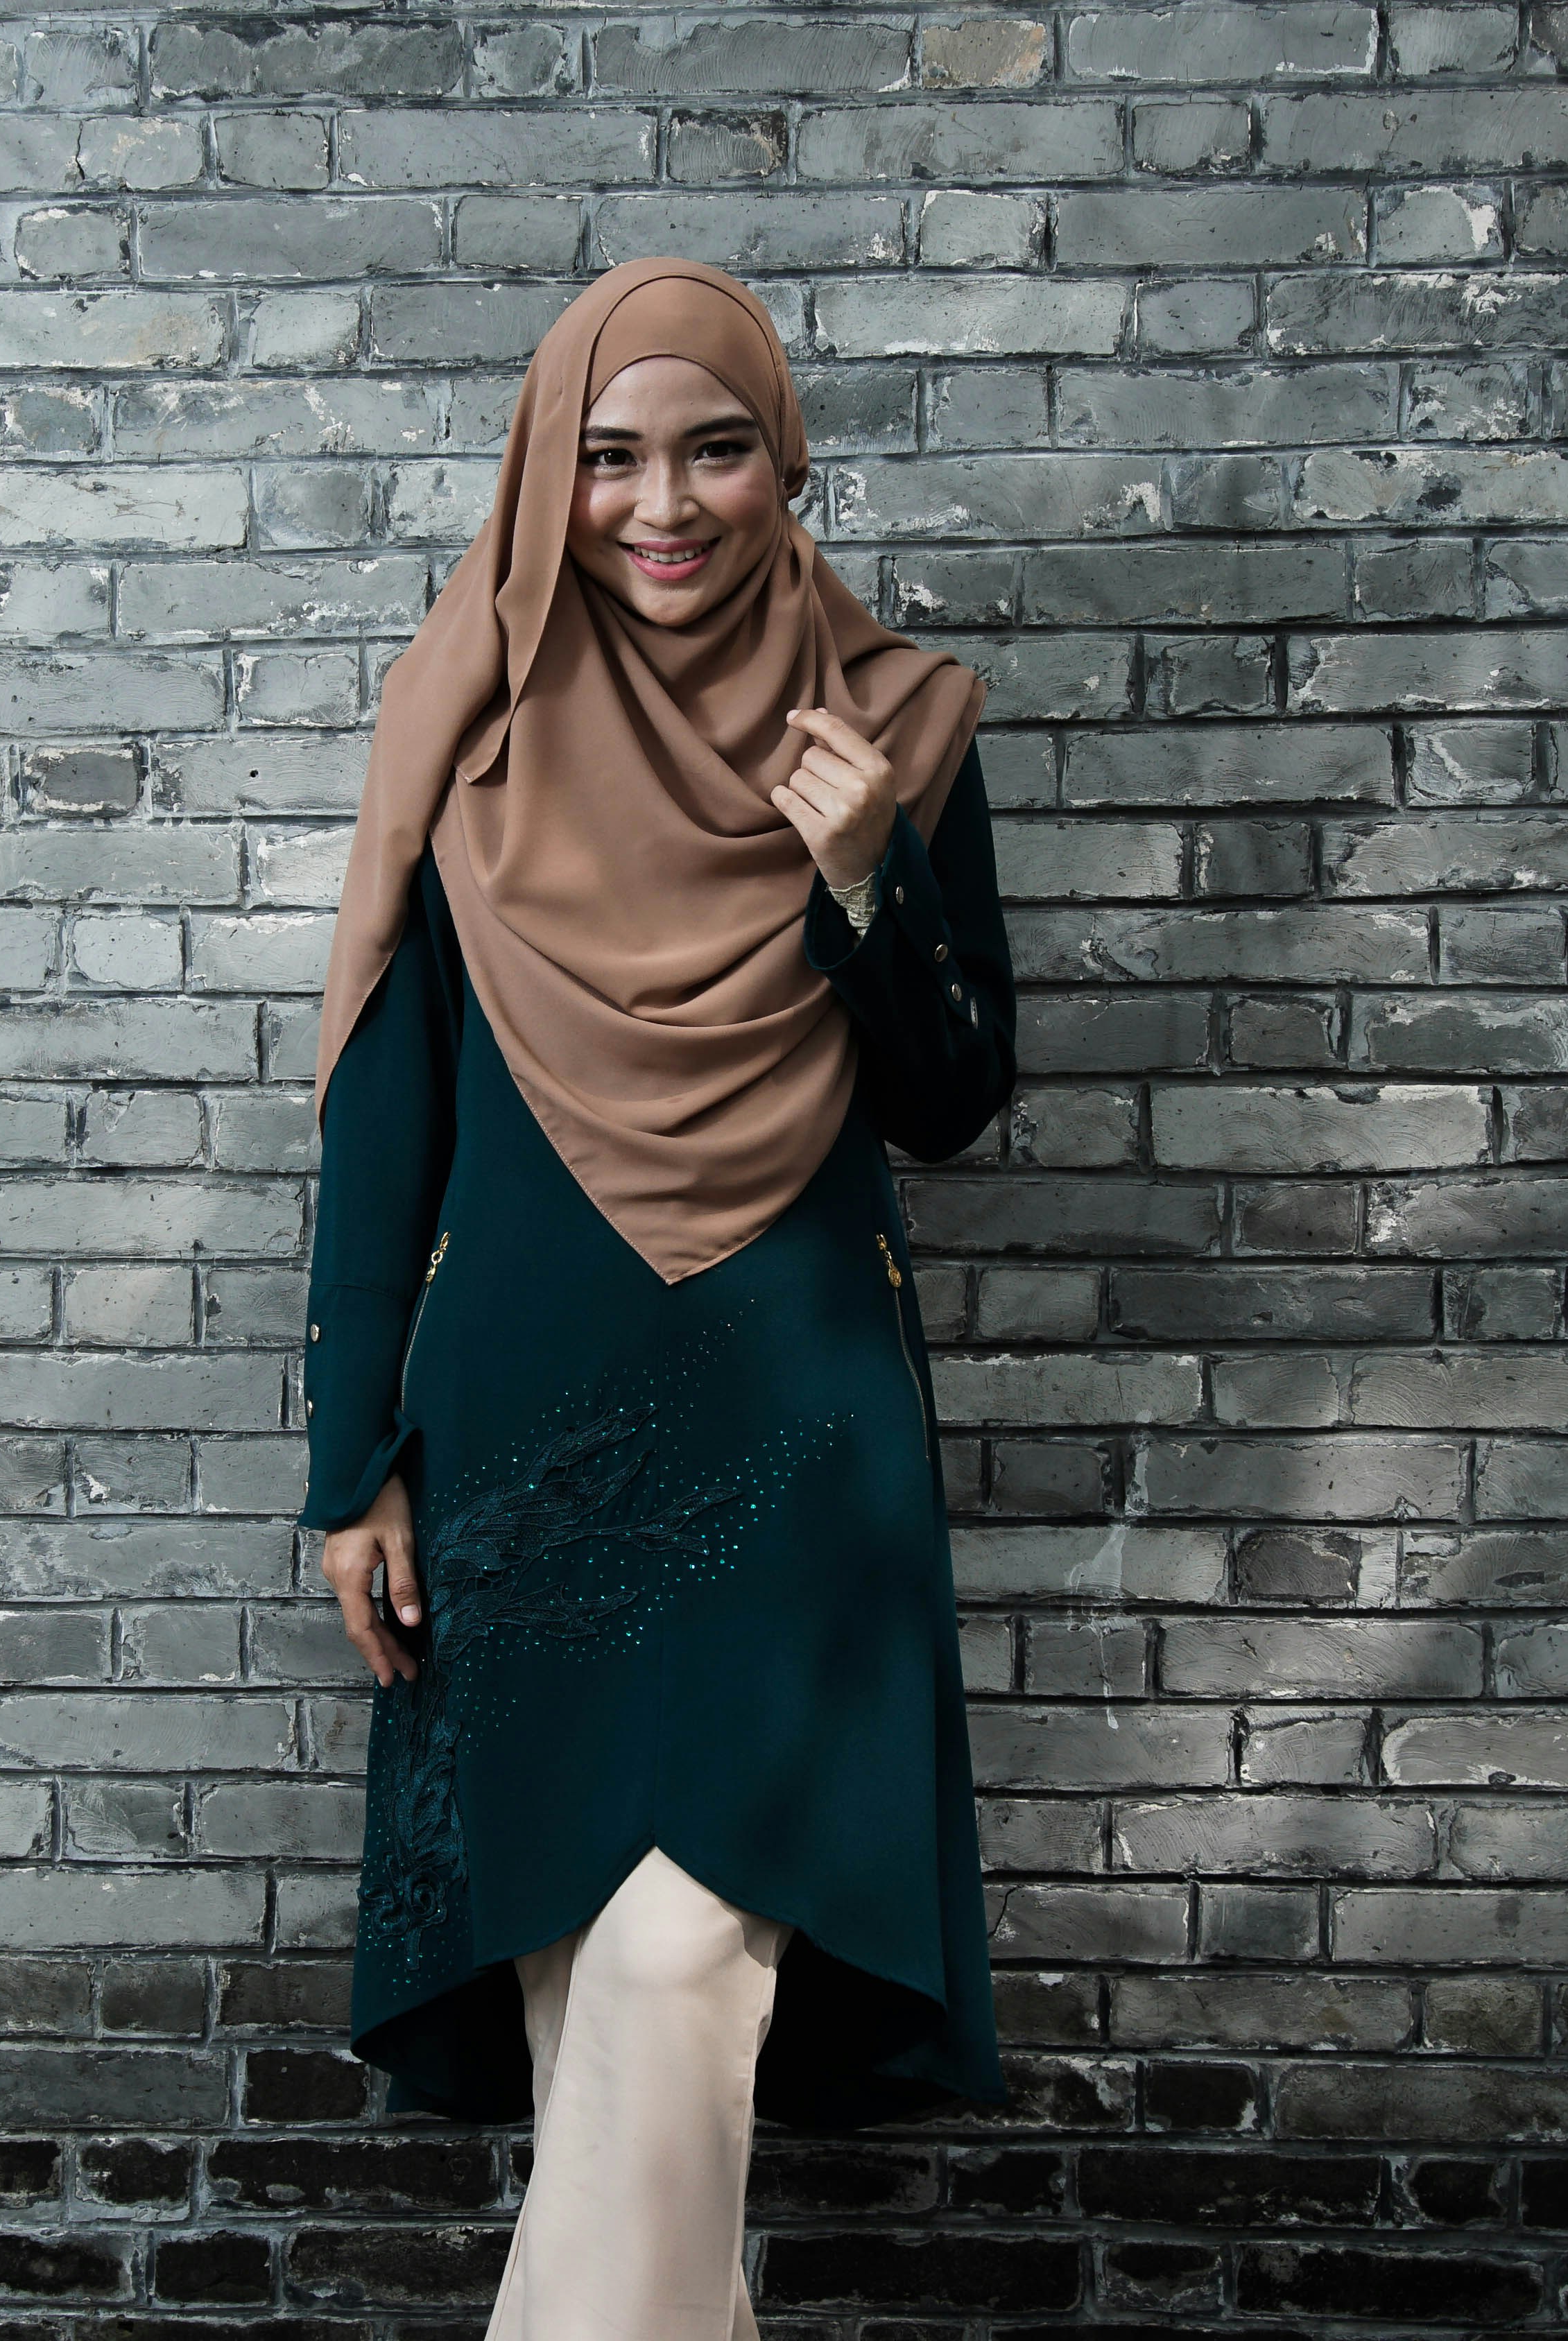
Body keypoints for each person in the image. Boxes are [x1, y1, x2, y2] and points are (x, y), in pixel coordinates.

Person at [300, 257, 1016, 2341]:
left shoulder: (894, 729)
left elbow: (961, 1099)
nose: (664, 502)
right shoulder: (465, 718)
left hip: (794, 1447)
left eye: (715, 448)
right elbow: (381, 1116)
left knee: (671, 1976)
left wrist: (873, 872)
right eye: (610, 457)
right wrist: (356, 1469)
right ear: (549, 473)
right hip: (524, 1447)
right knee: (607, 2053)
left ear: (785, 458)